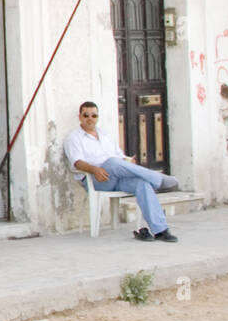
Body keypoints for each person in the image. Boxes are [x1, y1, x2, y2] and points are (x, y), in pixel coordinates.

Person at [64, 100, 181, 242]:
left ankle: (161, 230)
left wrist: (128, 161)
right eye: (86, 115)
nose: (90, 119)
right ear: (80, 117)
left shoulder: (104, 135)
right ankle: (158, 179)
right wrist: (95, 170)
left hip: (116, 178)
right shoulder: (74, 137)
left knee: (141, 183)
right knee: (112, 163)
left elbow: (119, 156)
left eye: (93, 116)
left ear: (97, 117)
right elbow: (77, 162)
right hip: (95, 179)